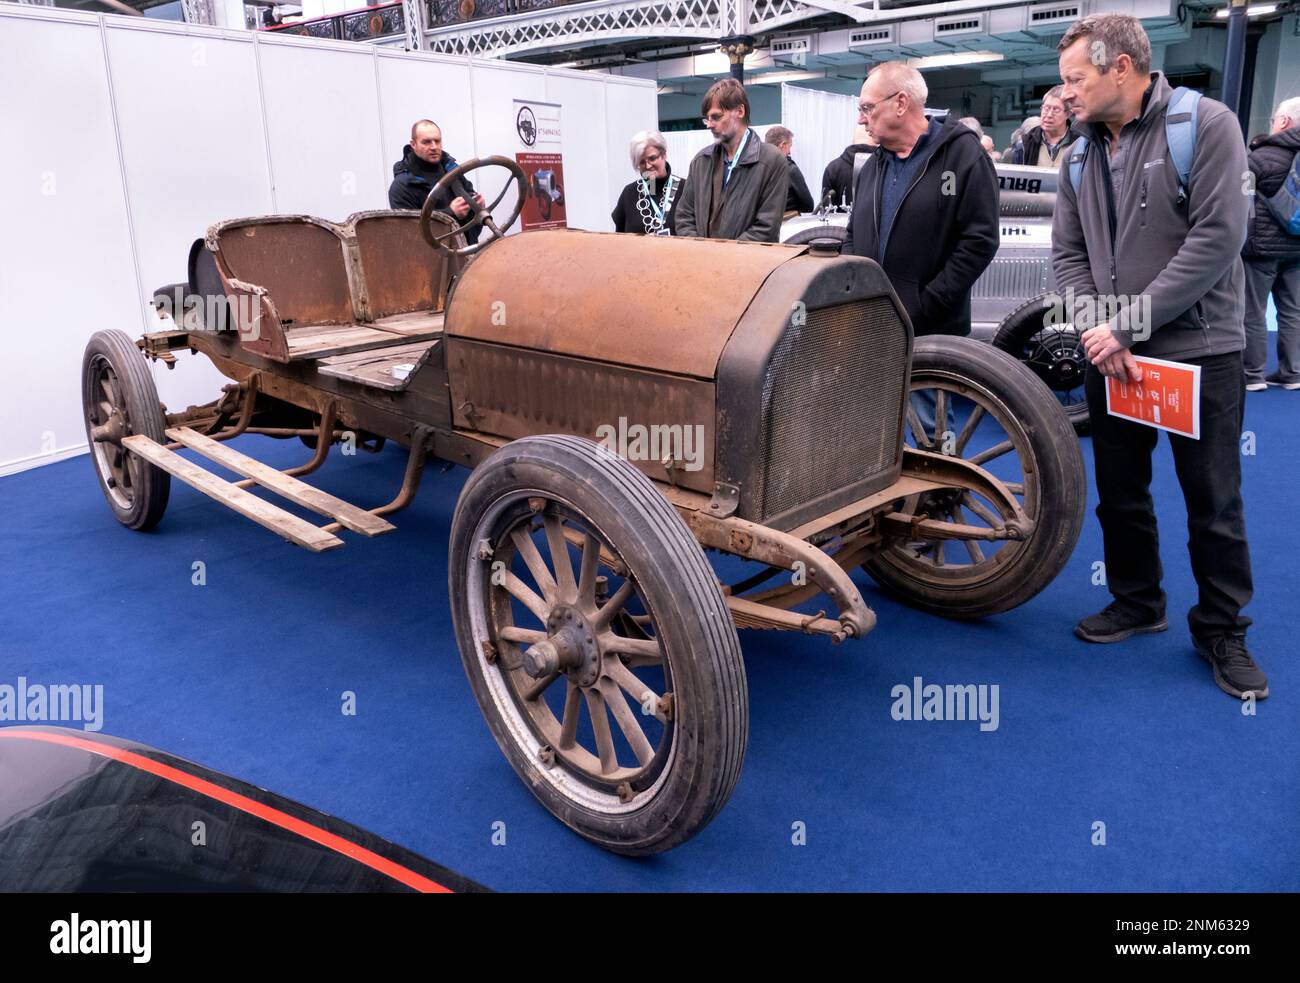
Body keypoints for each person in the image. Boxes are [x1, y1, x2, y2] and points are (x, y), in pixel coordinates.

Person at [1051, 13, 1264, 699]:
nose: (1064, 95)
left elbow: (1218, 237)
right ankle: (1138, 600)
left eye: (1075, 80)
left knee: (1214, 498)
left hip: (1199, 351)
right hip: (1108, 354)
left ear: (1121, 67)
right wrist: (1094, 329)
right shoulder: (1076, 153)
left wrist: (1128, 326)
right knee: (1121, 490)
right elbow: (1068, 253)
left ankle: (1221, 627)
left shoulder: (1205, 126)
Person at [843, 62, 999, 440]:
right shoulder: (872, 165)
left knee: (933, 438)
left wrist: (925, 304)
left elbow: (979, 241)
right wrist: (857, 289)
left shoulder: (962, 157)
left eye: (867, 108)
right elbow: (852, 233)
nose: (862, 120)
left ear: (900, 103)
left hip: (932, 331)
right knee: (873, 434)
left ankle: (939, 500)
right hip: (876, 326)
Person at [674, 79, 789, 242]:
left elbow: (766, 227)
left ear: (740, 111)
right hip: (704, 263)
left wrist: (726, 256)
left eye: (716, 117)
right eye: (707, 118)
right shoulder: (701, 162)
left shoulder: (772, 161)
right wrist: (701, 251)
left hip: (751, 264)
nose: (709, 125)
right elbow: (684, 216)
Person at [1242, 96, 1300, 391]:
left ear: (1285, 122)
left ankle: (1252, 374)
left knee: (1253, 309)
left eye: (1274, 119)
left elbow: (1239, 199)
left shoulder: (1258, 158)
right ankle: (1292, 373)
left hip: (1261, 249)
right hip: (1297, 247)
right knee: (1292, 310)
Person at [388, 119, 486, 243]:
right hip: (431, 260)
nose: (434, 147)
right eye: (426, 142)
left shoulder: (453, 171)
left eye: (437, 141)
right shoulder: (402, 186)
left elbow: (473, 225)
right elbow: (408, 232)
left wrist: (478, 207)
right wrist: (450, 213)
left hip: (467, 253)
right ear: (413, 145)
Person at [611, 130, 685, 236]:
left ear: (664, 155)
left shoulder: (685, 189)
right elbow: (619, 238)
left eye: (652, 158)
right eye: (641, 162)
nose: (648, 166)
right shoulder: (629, 193)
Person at [1014, 87, 1078, 166]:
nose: (1049, 115)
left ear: (1068, 114)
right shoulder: (1025, 144)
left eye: (1056, 109)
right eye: (1046, 108)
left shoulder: (1079, 143)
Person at [763, 125, 815, 215]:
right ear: (782, 145)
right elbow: (808, 205)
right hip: (788, 223)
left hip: (763, 225)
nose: (790, 152)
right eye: (789, 146)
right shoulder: (789, 169)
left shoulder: (757, 168)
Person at [821, 127, 877, 208]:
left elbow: (826, 209)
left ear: (853, 140)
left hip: (840, 220)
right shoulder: (886, 166)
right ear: (876, 140)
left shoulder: (833, 168)